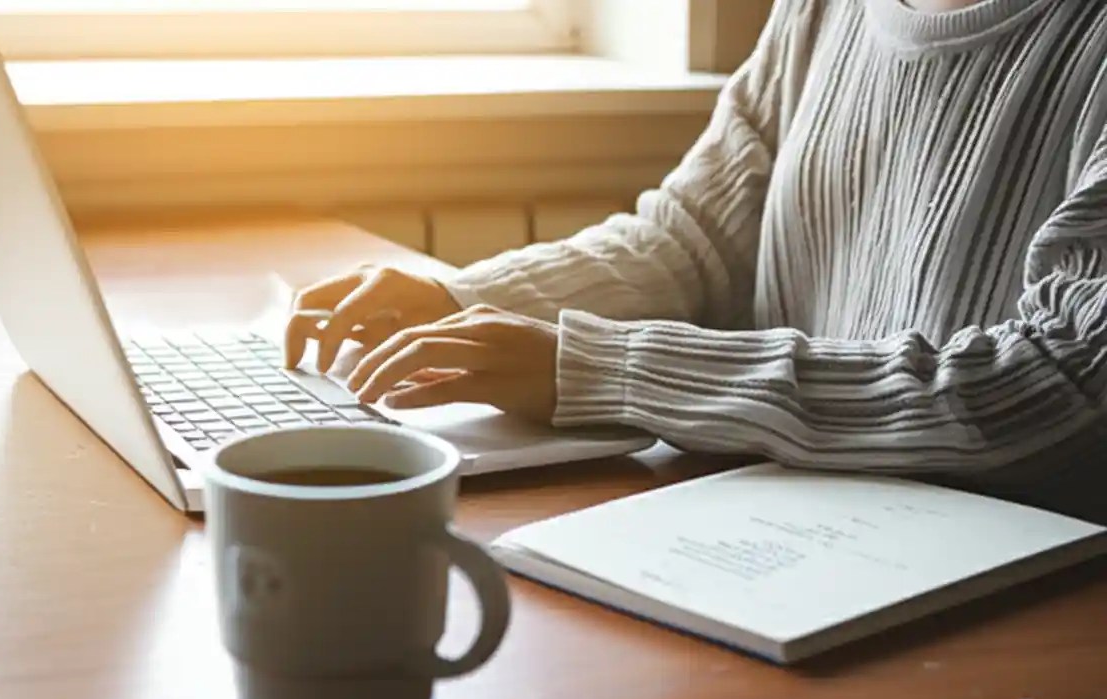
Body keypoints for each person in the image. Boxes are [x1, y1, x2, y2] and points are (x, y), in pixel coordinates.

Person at [284, 0, 1107, 519]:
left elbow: (1054, 377)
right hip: (788, 522)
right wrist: (458, 301)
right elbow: (693, 239)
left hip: (1011, 599)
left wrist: (607, 368)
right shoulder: (822, 11)